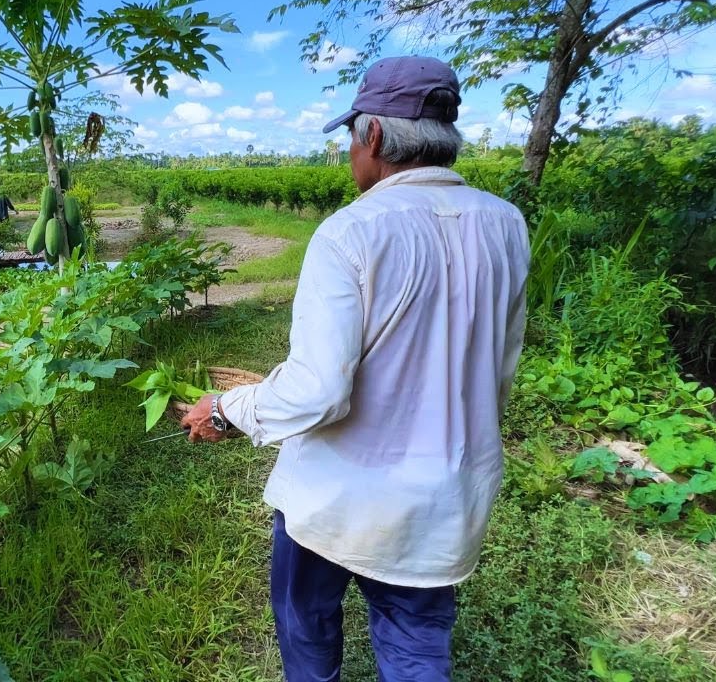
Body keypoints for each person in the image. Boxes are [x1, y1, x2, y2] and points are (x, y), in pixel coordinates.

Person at [181, 56, 530, 682]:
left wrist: (227, 408)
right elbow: (497, 365)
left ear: (371, 137)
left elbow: (319, 391)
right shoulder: (506, 224)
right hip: (444, 494)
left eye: (350, 138)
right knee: (417, 642)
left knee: (306, 620)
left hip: (336, 499)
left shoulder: (351, 232)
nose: (350, 153)